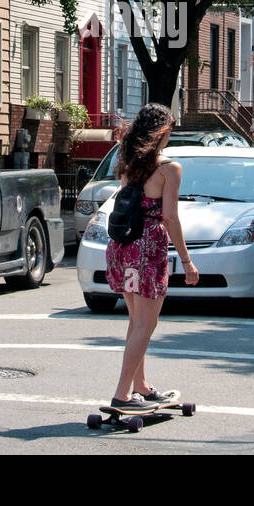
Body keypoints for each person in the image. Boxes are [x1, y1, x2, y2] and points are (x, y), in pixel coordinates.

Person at [105, 103, 199, 413]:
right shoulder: (169, 168)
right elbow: (170, 218)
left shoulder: (129, 164)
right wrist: (186, 261)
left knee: (136, 322)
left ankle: (140, 386)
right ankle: (121, 394)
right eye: (170, 130)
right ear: (162, 131)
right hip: (148, 248)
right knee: (147, 324)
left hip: (123, 246)